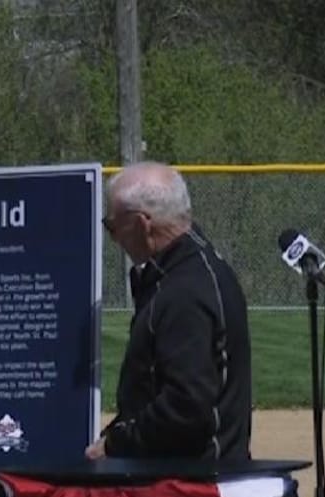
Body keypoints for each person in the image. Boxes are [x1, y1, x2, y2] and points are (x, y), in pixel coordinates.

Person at [85, 161, 253, 462]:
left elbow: (186, 408)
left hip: (193, 489)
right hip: (198, 476)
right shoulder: (191, 267)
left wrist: (115, 444)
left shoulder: (183, 292)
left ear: (141, 224)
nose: (113, 238)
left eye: (112, 226)